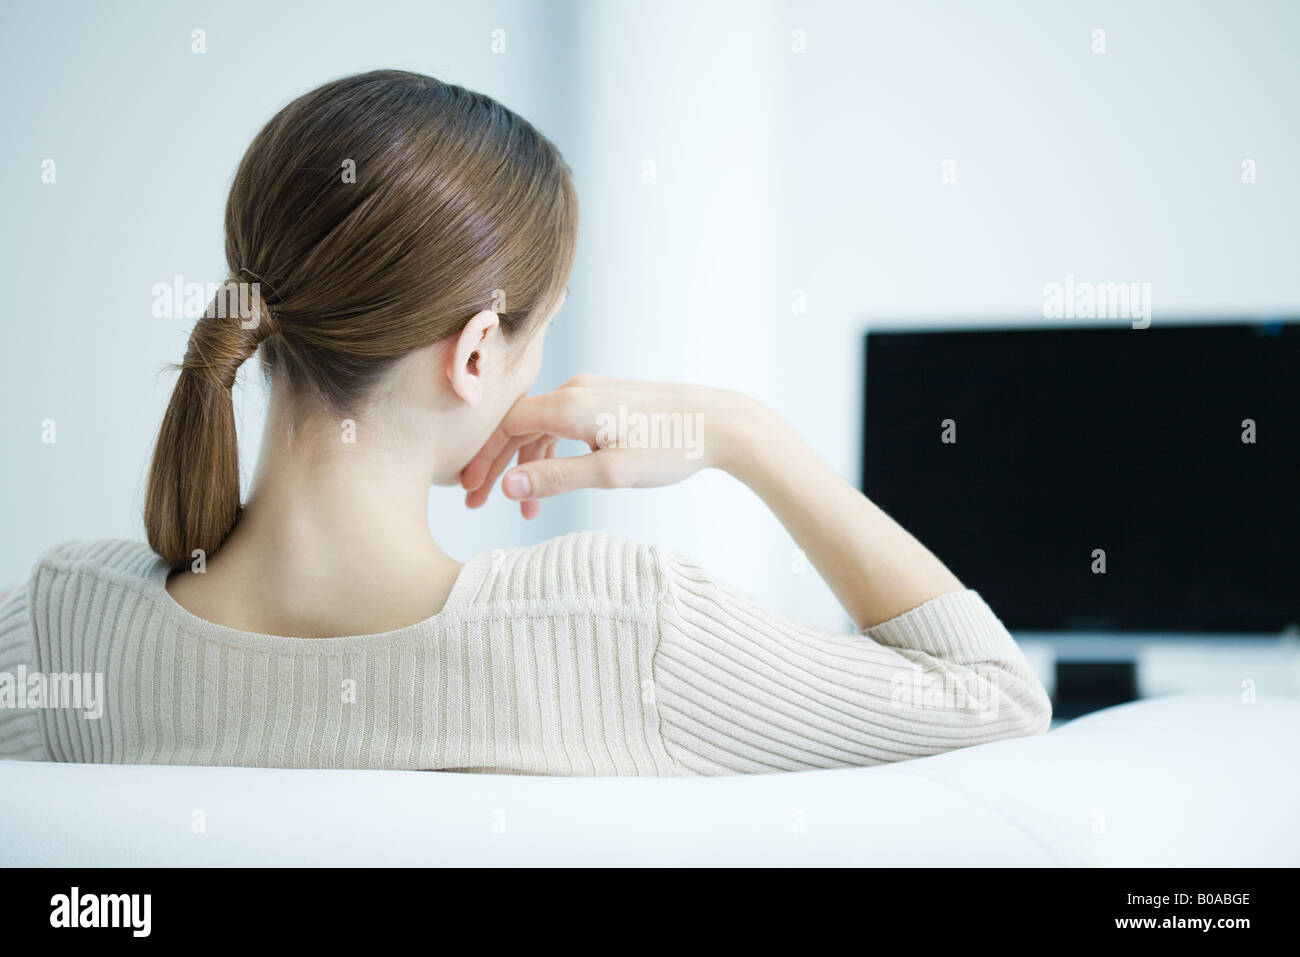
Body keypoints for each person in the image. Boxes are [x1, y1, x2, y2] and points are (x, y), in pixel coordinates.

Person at [0, 69, 1050, 775]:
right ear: (471, 355)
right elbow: (992, 697)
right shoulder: (617, 625)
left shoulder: (68, 624)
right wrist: (743, 434)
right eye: (537, 332)